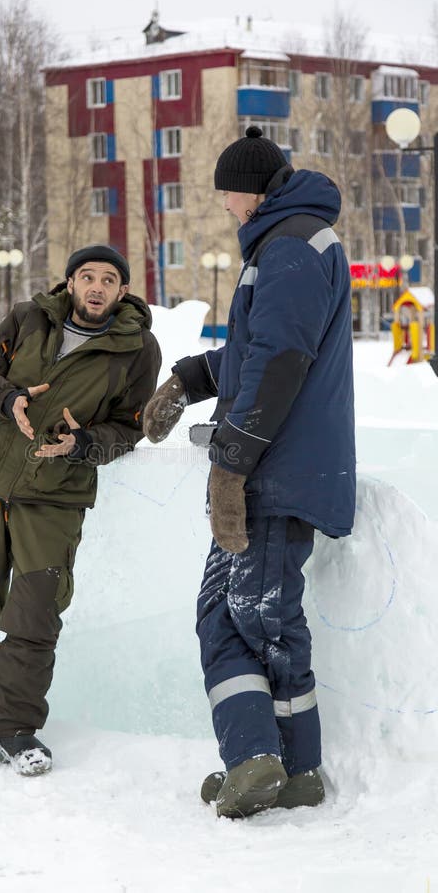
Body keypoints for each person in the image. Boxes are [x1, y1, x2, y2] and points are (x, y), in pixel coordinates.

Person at [143, 126, 355, 818]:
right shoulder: (287, 240)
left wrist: (232, 459)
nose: (225, 207)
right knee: (235, 611)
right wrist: (191, 377)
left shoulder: (290, 243)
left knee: (256, 614)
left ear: (249, 188)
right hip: (275, 460)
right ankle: (273, 764)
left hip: (276, 466)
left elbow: (281, 360)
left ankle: (277, 767)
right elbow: (258, 350)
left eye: (226, 193)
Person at [0, 244, 161, 776]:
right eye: (88, 277)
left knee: (34, 616)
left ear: (122, 290)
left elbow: (132, 427)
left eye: (109, 279)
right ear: (70, 283)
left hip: (55, 493)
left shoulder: (138, 348)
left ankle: (16, 732)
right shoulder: (29, 316)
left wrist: (84, 445)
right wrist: (7, 399)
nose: (97, 287)